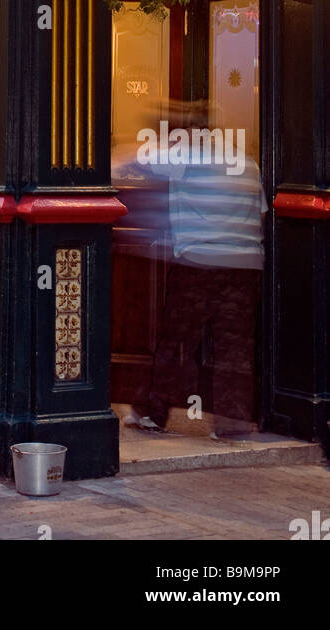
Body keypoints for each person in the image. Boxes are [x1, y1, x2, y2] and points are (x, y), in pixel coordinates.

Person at [127, 102, 267, 441]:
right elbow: (261, 211)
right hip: (244, 265)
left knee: (177, 342)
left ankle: (152, 413)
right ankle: (232, 423)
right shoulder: (246, 163)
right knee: (235, 348)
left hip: (198, 263)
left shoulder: (184, 159)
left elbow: (131, 162)